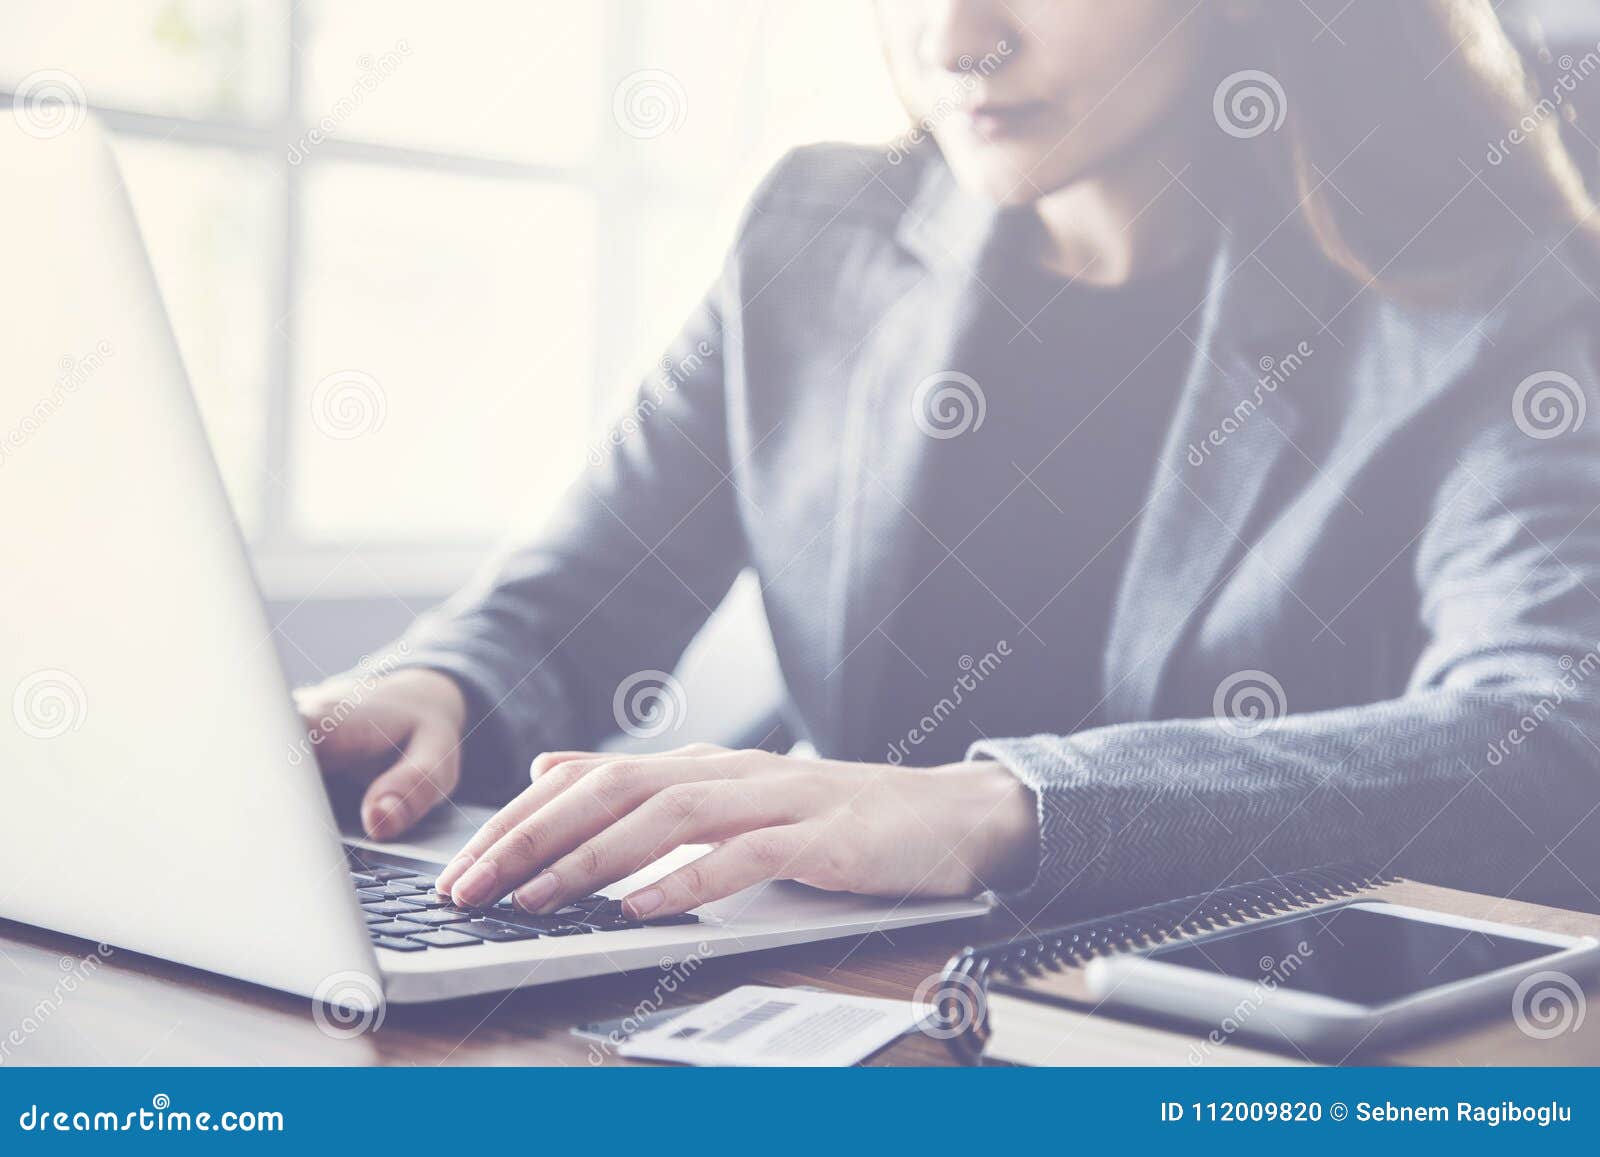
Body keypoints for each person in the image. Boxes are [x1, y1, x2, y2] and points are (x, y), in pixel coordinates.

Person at [297, 0, 1600, 924]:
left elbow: (1549, 746)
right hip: (841, 1024)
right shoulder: (816, 232)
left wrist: (1002, 807)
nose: (958, 34)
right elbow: (567, 603)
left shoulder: (1483, 297)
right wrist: (442, 688)